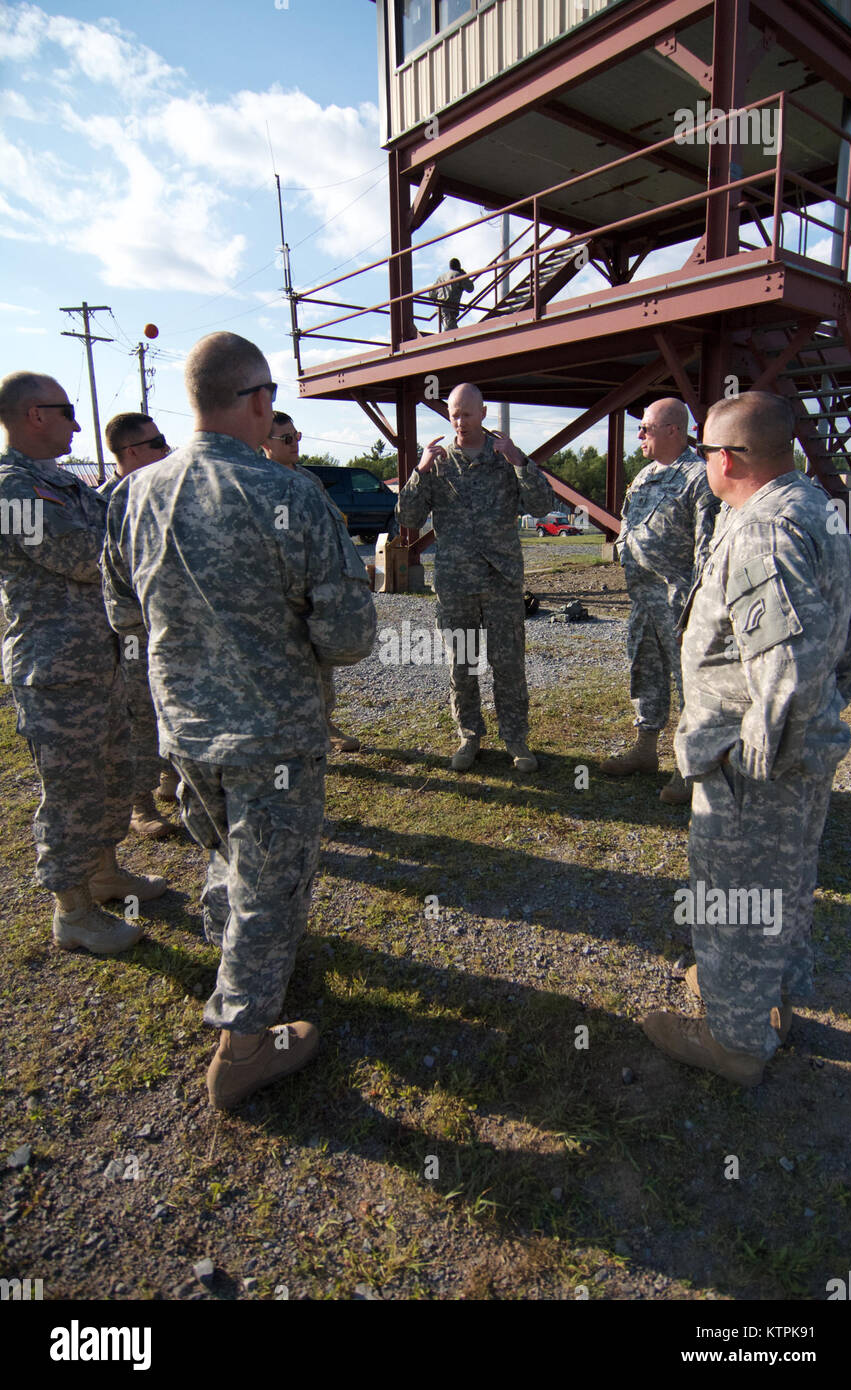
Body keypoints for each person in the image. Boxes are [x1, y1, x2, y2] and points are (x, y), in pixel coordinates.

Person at [102, 333, 377, 1109]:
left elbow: (124, 613)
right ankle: (244, 1043)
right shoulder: (290, 496)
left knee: (227, 852)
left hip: (183, 727)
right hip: (273, 732)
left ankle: (237, 951)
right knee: (272, 882)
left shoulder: (133, 494)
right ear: (258, 401)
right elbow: (349, 636)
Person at [641, 391, 851, 1084]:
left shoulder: (764, 529)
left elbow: (786, 665)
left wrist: (754, 755)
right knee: (786, 885)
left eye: (707, 450)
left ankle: (735, 1041)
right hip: (800, 751)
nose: (702, 461)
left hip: (753, 764)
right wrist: (827, 713)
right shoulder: (813, 508)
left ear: (730, 458)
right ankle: (769, 1000)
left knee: (735, 896)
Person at [0, 373, 165, 957]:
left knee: (111, 772)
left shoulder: (62, 483)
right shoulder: (12, 490)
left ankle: (104, 873)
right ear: (33, 414)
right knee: (70, 790)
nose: (76, 422)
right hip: (56, 672)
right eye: (66, 410)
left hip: (101, 662)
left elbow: (113, 533)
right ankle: (72, 912)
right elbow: (78, 556)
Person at [395, 382, 554, 773]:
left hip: (501, 580)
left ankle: (516, 739)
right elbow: (408, 519)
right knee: (462, 665)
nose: (460, 422)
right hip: (456, 584)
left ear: (483, 414)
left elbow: (542, 505)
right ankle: (469, 735)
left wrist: (520, 462)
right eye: (453, 414)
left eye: (467, 413)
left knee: (509, 664)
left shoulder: (505, 458)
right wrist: (419, 472)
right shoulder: (439, 463)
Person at [602, 397, 718, 804]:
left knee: (692, 687)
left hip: (681, 605)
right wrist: (622, 547)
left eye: (646, 428)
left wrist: (699, 604)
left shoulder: (699, 478)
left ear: (673, 430)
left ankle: (690, 768)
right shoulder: (646, 475)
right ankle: (645, 749)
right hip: (643, 602)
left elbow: (708, 550)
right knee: (645, 674)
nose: (639, 435)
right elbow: (627, 520)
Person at [263, 411, 360, 754]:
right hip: (285, 594)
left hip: (318, 589)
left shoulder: (308, 479)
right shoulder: (264, 483)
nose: (294, 444)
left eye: (297, 435)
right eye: (285, 438)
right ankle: (290, 739)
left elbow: (334, 524)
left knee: (322, 663)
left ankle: (325, 724)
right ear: (265, 443)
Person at [101, 413, 175, 839]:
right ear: (131, 451)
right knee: (139, 712)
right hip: (130, 630)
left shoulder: (163, 494)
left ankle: (169, 780)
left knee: (170, 703)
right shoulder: (106, 502)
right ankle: (140, 803)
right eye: (157, 442)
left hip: (165, 622)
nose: (166, 449)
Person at [434, 258, 475, 331]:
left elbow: (431, 294)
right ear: (459, 266)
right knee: (452, 333)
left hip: (439, 308)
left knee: (449, 330)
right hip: (450, 308)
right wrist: (465, 276)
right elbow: (470, 288)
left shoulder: (441, 277)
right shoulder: (458, 275)